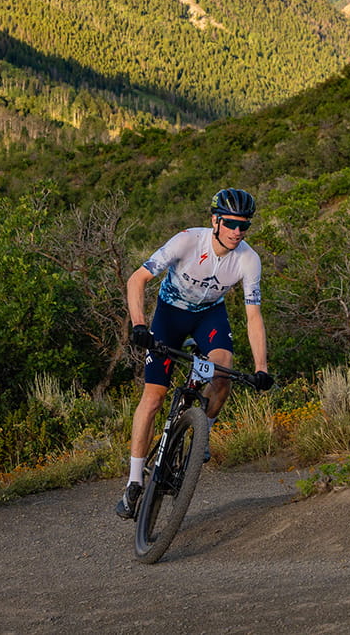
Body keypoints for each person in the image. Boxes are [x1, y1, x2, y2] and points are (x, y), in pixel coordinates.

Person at [116, 187, 274, 519]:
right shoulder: (188, 241)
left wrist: (261, 367)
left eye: (244, 225)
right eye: (231, 223)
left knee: (223, 373)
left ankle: (202, 434)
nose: (237, 232)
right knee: (154, 397)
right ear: (215, 220)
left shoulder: (248, 259)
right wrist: (139, 325)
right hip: (169, 315)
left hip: (208, 317)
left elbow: (254, 316)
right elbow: (137, 279)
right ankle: (134, 481)